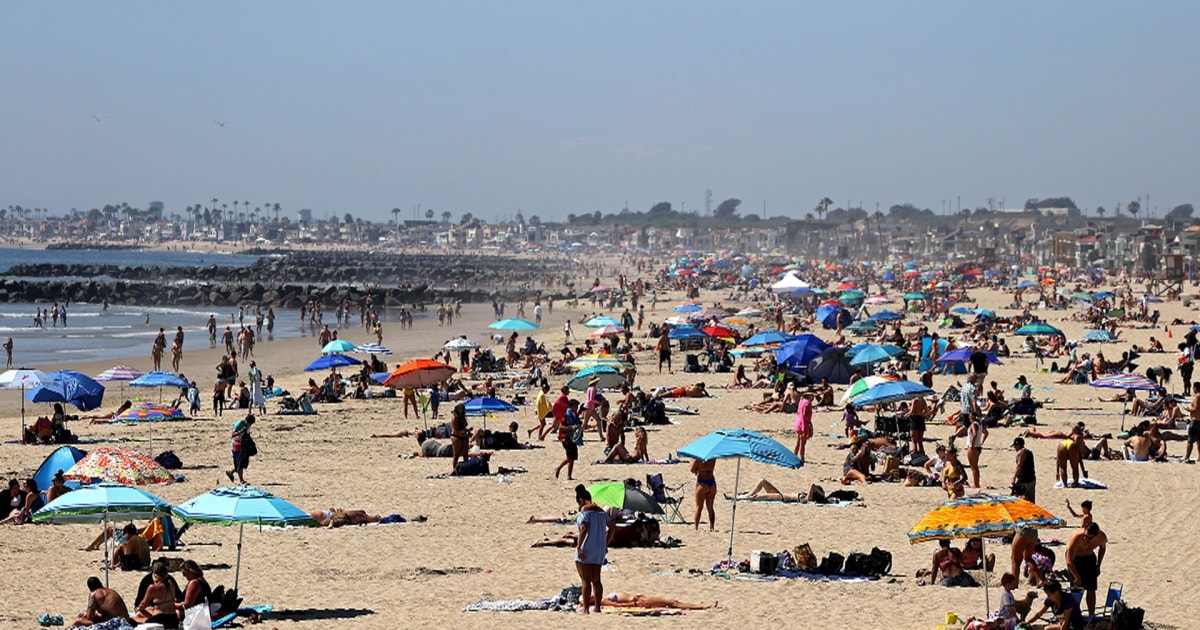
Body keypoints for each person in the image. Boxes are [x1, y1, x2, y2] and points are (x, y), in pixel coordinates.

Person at [574, 485, 614, 615]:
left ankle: (586, 609)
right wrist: (605, 543)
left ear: (581, 500)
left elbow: (584, 528)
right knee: (596, 580)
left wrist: (579, 546)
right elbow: (612, 528)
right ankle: (597, 607)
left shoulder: (585, 512)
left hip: (586, 548)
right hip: (598, 550)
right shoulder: (601, 512)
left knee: (585, 580)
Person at [1066, 522, 1108, 620]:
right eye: (1085, 536)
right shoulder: (1076, 538)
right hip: (1075, 560)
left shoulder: (1101, 537)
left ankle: (1091, 615)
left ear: (1096, 536)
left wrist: (1098, 565)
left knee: (1091, 589)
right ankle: (1073, 615)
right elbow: (1069, 561)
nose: (1086, 540)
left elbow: (1102, 548)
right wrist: (1076, 576)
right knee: (1076, 589)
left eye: (1090, 538)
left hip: (1089, 559)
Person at [589, 592, 715, 610]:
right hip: (641, 601)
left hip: (640, 599)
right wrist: (634, 603)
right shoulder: (602, 602)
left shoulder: (602, 597)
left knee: (673, 602)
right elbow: (618, 605)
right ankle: (701, 606)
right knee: (673, 602)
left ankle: (700, 605)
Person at [554, 399, 582, 480]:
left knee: (573, 457)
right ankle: (558, 468)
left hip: (573, 437)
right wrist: (571, 427)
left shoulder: (575, 414)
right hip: (565, 437)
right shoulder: (566, 415)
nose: (577, 408)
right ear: (571, 406)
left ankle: (569, 476)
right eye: (575, 406)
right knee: (570, 457)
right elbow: (560, 427)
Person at [225, 413, 256, 484]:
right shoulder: (239, 424)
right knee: (240, 463)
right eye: (249, 423)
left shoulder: (248, 426)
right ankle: (241, 480)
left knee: (241, 463)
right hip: (236, 445)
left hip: (243, 445)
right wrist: (241, 431)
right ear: (246, 420)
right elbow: (232, 435)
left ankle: (231, 472)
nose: (249, 425)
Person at [691, 457, 716, 531]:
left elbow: (692, 470)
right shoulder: (713, 457)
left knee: (699, 507)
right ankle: (712, 527)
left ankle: (696, 527)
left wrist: (697, 469)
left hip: (702, 483)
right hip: (712, 483)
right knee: (710, 507)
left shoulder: (699, 458)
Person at [1011, 437, 1036, 504]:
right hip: (1032, 478)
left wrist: (1014, 477)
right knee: (1031, 501)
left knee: (1016, 498)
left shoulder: (1021, 453)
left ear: (1018, 445)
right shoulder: (1029, 452)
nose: (1015, 448)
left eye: (1015, 446)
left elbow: (1019, 466)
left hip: (1024, 480)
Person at [793, 392, 813, 461]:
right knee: (802, 443)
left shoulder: (801, 401)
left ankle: (794, 456)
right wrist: (810, 422)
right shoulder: (807, 403)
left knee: (798, 442)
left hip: (798, 422)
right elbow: (804, 414)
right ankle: (802, 458)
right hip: (803, 423)